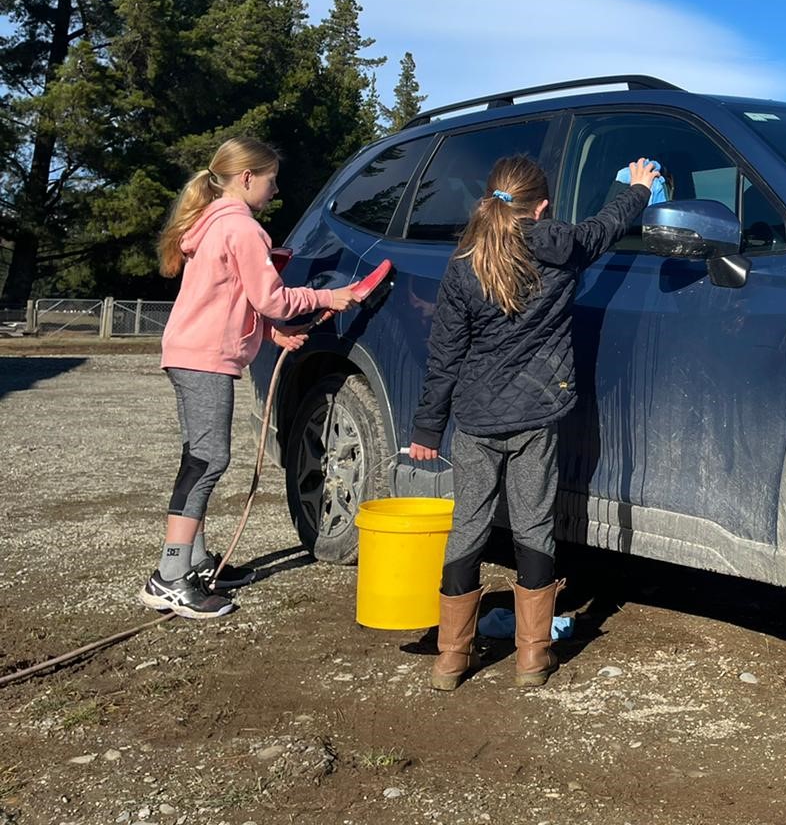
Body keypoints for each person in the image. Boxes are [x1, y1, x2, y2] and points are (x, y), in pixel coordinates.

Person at [408, 154, 658, 691]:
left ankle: (451, 660)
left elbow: (444, 358)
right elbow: (607, 226)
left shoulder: (463, 266)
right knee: (533, 526)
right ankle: (532, 658)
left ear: (493, 200)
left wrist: (428, 429)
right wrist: (637, 188)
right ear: (542, 207)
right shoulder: (561, 247)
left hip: (475, 420)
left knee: (468, 527)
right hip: (536, 417)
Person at [142, 138, 362, 619]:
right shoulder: (243, 229)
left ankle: (193, 560)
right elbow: (273, 298)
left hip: (189, 351)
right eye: (271, 179)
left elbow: (228, 296)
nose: (275, 189)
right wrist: (330, 298)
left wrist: (269, 334)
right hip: (205, 357)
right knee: (207, 461)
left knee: (197, 457)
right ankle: (170, 577)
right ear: (247, 178)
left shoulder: (212, 223)